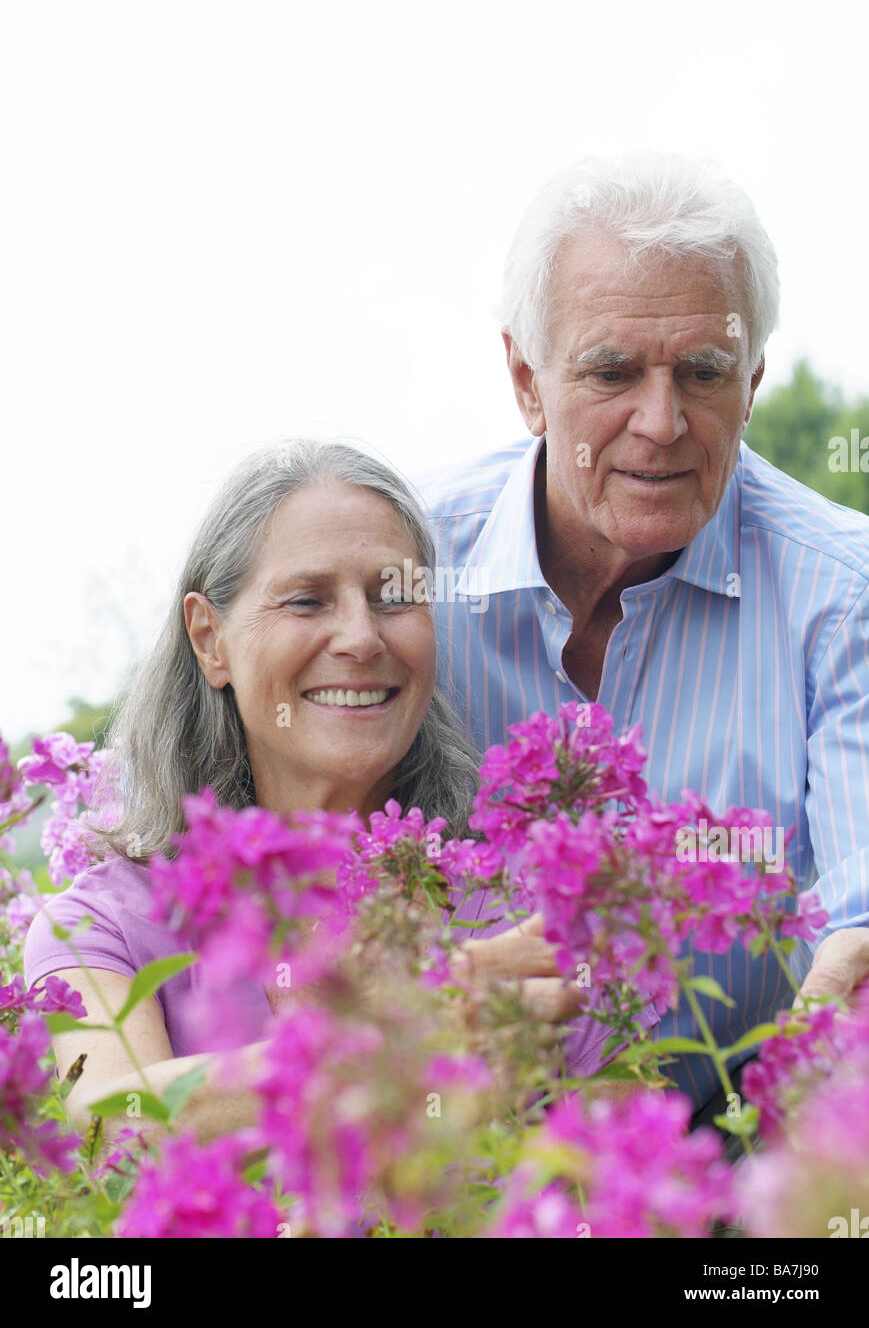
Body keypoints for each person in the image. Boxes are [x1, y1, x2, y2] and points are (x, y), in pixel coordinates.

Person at [24, 439, 651, 1145]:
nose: (360, 637)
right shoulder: (101, 926)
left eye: (393, 598)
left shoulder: (522, 901)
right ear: (210, 640)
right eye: (306, 600)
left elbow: (627, 1183)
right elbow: (109, 1118)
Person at [416, 149, 869, 1121]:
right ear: (525, 379)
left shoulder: (844, 593)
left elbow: (859, 909)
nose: (659, 424)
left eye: (700, 373)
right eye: (611, 370)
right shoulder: (400, 571)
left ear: (750, 382)